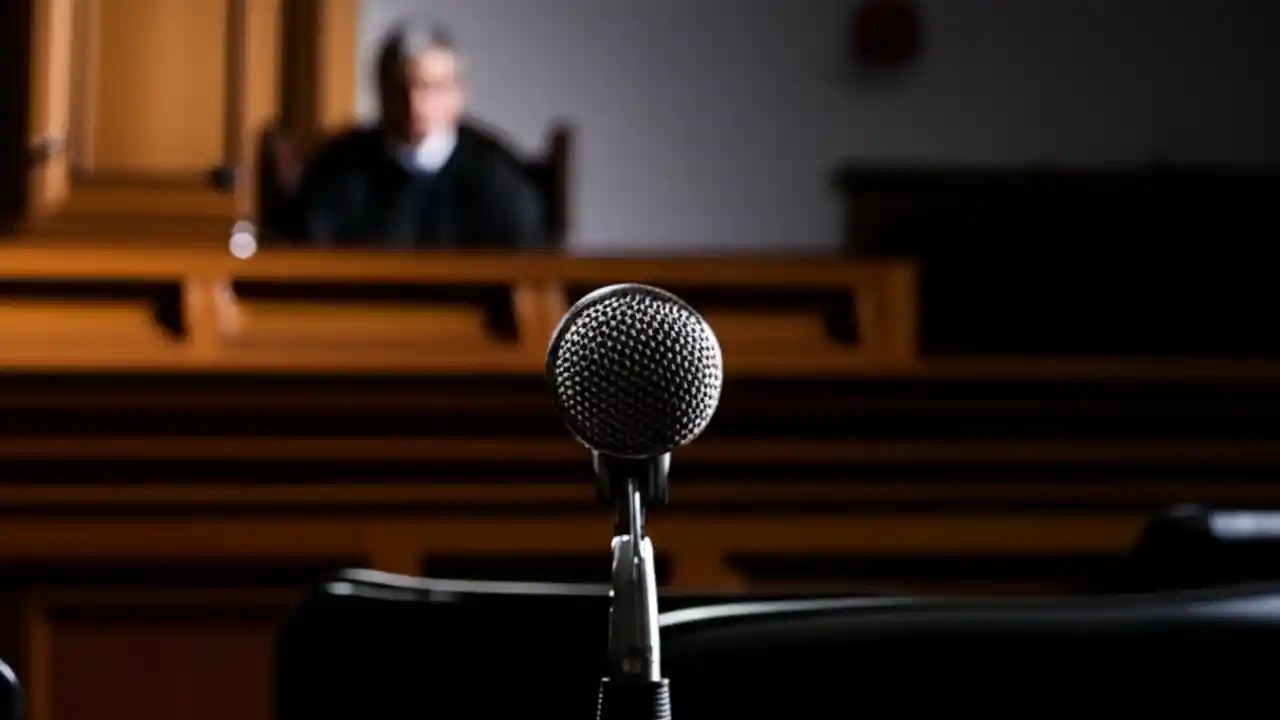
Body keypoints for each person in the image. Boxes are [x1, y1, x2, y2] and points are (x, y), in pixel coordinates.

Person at [292, 20, 546, 248]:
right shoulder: (337, 169)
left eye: (431, 88)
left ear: (458, 93)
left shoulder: (496, 175)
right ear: (379, 90)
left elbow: (529, 263)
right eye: (400, 87)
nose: (414, 103)